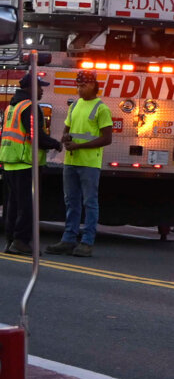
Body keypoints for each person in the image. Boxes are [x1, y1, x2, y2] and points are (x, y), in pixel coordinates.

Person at [49, 69, 113, 258]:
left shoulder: (101, 108)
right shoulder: (74, 105)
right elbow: (66, 130)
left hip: (89, 163)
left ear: (94, 85)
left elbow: (107, 138)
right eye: (77, 85)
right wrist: (65, 138)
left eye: (83, 85)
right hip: (71, 161)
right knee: (71, 202)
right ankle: (68, 239)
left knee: (89, 202)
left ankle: (87, 242)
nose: (79, 89)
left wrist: (79, 146)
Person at [2, 72, 57, 255]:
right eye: (40, 87)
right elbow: (36, 136)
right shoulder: (29, 107)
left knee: (13, 205)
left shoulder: (13, 106)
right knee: (27, 205)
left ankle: (10, 240)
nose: (42, 91)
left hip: (10, 162)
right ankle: (21, 241)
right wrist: (55, 144)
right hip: (25, 162)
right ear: (31, 88)